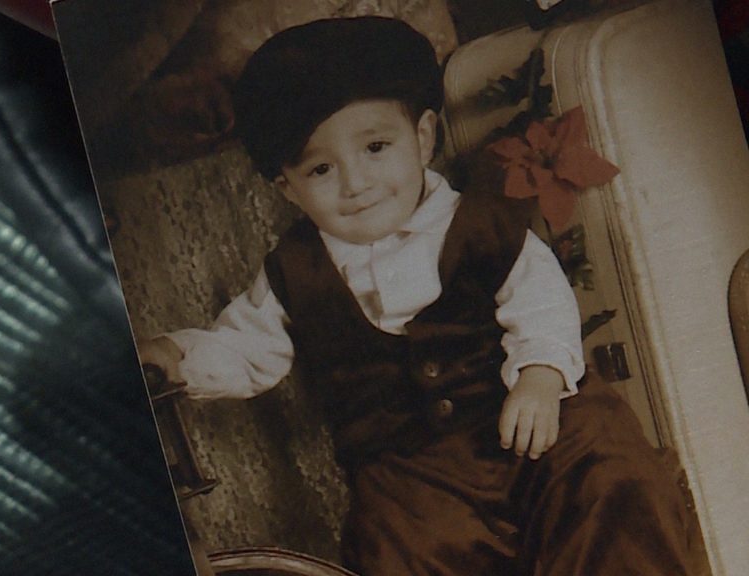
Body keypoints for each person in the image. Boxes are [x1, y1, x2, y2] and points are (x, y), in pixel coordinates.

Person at [138, 16, 693, 576]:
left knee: (611, 478)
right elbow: (245, 349)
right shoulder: (295, 271)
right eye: (322, 168)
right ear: (287, 187)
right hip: (411, 472)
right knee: (398, 551)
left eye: (377, 147)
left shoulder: (480, 224)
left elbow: (541, 301)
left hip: (532, 415)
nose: (357, 184)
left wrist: (542, 376)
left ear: (423, 137)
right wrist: (177, 356)